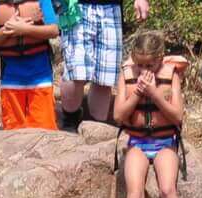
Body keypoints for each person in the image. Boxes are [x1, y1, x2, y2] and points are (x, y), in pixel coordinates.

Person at [114, 30, 191, 198]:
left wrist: (155, 94)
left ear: (161, 59)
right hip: (137, 141)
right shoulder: (127, 75)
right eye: (140, 65)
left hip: (164, 141)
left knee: (168, 189)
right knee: (134, 193)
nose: (145, 69)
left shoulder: (171, 76)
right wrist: (137, 92)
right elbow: (118, 116)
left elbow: (177, 116)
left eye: (151, 65)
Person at [59, 0, 150, 132]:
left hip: (111, 8)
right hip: (77, 7)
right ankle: (70, 121)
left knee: (105, 78)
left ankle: (96, 128)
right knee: (75, 72)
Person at [0, 0, 60, 131]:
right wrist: (7, 29)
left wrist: (25, 29)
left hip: (40, 78)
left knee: (45, 131)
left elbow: (54, 30)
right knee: (13, 134)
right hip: (11, 80)